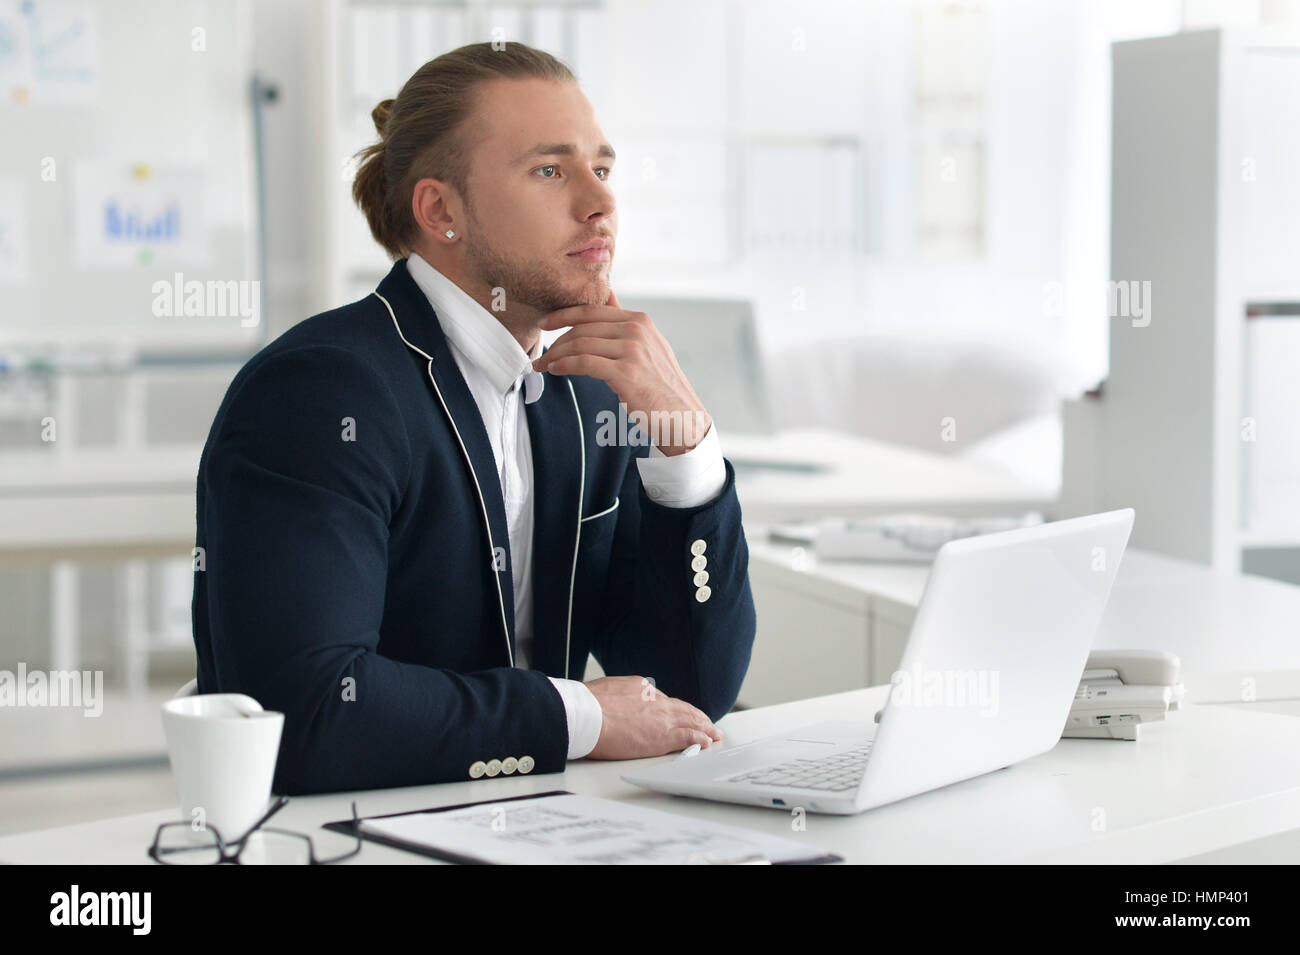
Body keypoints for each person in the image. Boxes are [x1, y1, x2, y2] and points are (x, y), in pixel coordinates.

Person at [192, 41, 756, 795]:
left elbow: (683, 692)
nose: (601, 202)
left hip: (548, 823)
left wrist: (688, 454)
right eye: (550, 170)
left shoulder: (590, 393)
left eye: (603, 168)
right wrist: (577, 717)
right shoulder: (321, 391)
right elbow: (307, 713)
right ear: (441, 211)